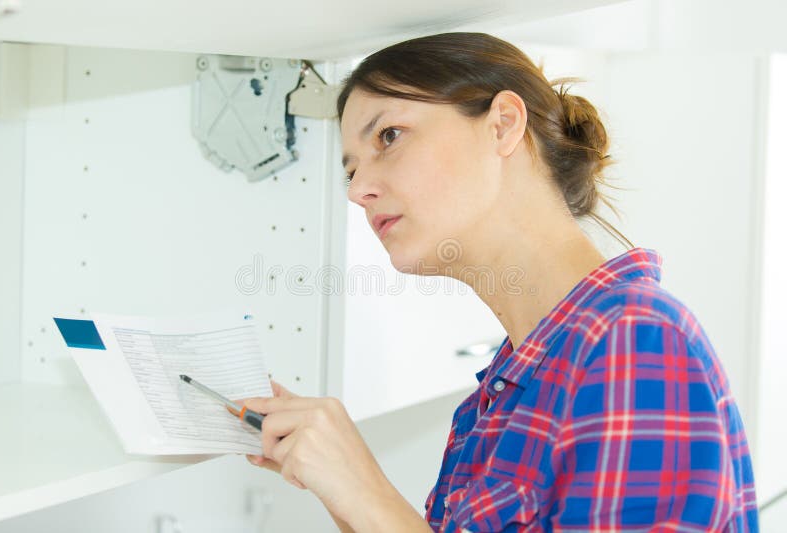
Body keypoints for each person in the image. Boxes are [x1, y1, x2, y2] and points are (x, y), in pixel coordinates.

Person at [239, 32, 759, 532]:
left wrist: (364, 490)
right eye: (351, 171)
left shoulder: (631, 340)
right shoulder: (503, 390)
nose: (359, 191)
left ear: (503, 125)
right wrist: (338, 486)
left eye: (388, 137)